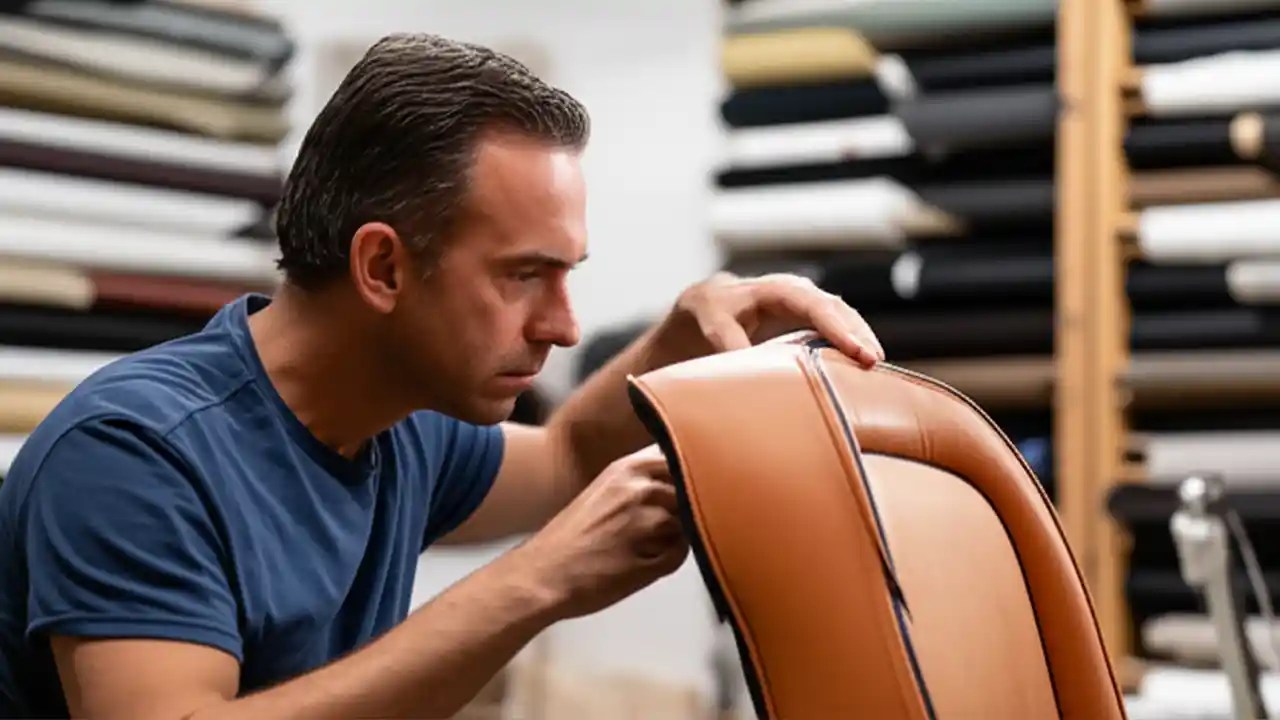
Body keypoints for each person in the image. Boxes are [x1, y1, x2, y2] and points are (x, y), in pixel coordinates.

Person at [0, 33, 883, 720]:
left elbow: (572, 453)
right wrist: (536, 585)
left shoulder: (397, 424)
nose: (565, 324)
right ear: (382, 268)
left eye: (569, 275)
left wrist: (679, 333)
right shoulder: (135, 457)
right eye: (523, 275)